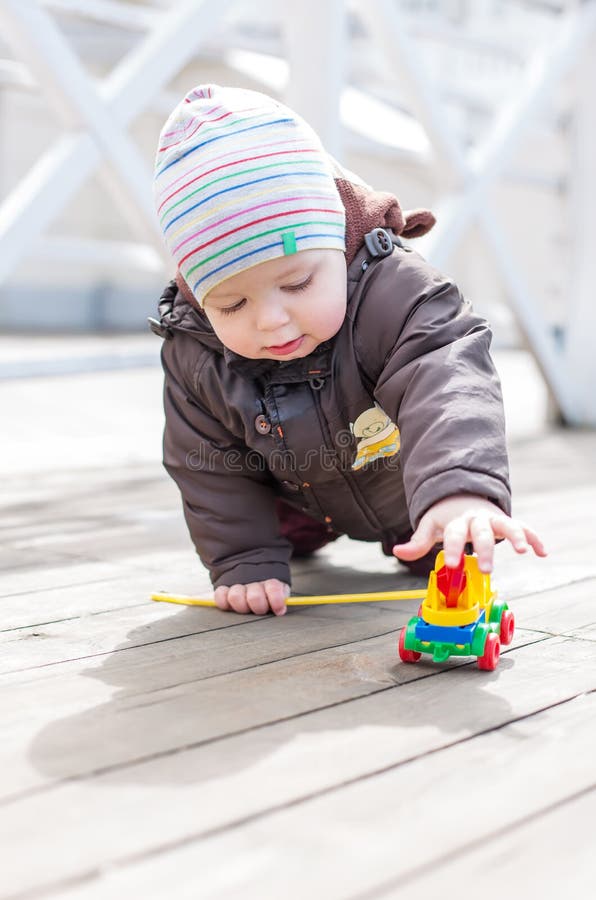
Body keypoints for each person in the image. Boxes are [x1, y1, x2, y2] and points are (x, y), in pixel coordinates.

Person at [151, 83, 546, 617]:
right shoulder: (196, 351)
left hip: (406, 487)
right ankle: (278, 538)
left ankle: (441, 510)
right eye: (231, 304)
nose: (270, 319)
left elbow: (446, 378)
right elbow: (206, 463)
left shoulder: (395, 296)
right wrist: (243, 557)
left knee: (447, 551)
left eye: (297, 284)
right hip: (296, 493)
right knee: (265, 521)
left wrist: (458, 489)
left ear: (338, 243)